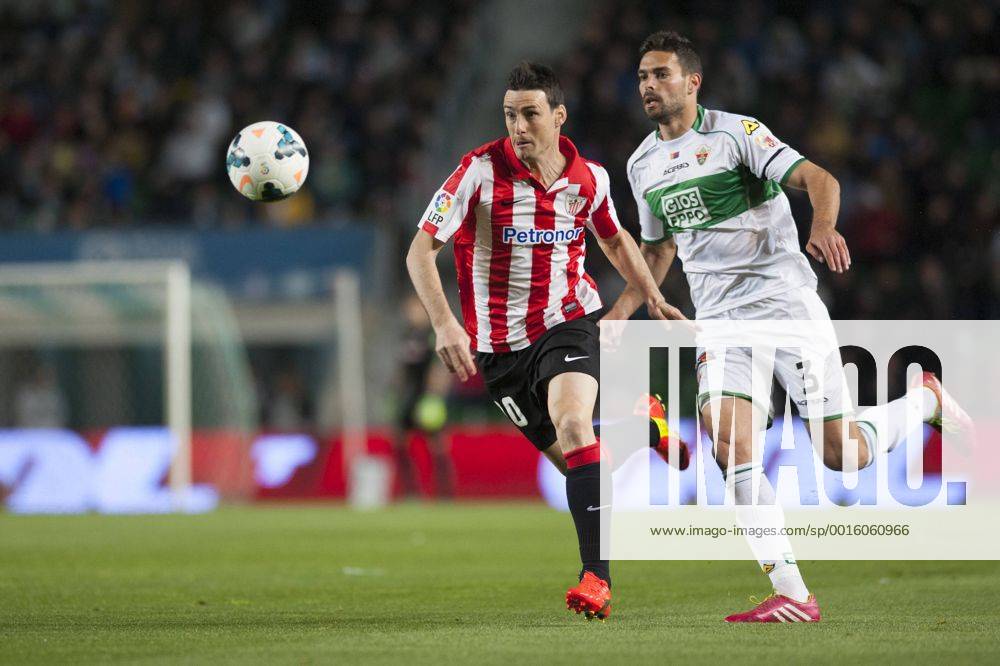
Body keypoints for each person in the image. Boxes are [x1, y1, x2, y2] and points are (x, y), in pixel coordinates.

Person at [605, 31, 971, 623]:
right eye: (643, 75)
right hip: (721, 324)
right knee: (729, 444)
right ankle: (794, 594)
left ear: (692, 82)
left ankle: (922, 401)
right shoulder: (641, 163)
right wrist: (623, 311)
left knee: (841, 454)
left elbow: (821, 180)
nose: (649, 85)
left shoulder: (737, 134)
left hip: (787, 306)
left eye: (661, 75)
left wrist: (823, 226)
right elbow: (657, 249)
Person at [406, 61, 685, 621]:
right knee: (582, 465)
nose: (519, 126)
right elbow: (419, 252)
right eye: (510, 114)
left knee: (576, 423)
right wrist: (444, 322)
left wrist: (651, 298)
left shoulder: (591, 179)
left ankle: (596, 579)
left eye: (530, 113)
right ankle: (640, 426)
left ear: (558, 116)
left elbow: (615, 240)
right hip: (498, 351)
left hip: (566, 322)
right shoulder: (477, 172)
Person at [392, 293, 456, 498]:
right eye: (409, 310)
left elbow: (440, 365)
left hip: (427, 396)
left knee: (437, 445)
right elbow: (403, 367)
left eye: (415, 309)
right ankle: (411, 491)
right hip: (409, 396)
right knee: (400, 442)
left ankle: (445, 492)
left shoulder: (432, 333)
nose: (412, 314)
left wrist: (436, 393)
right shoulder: (406, 334)